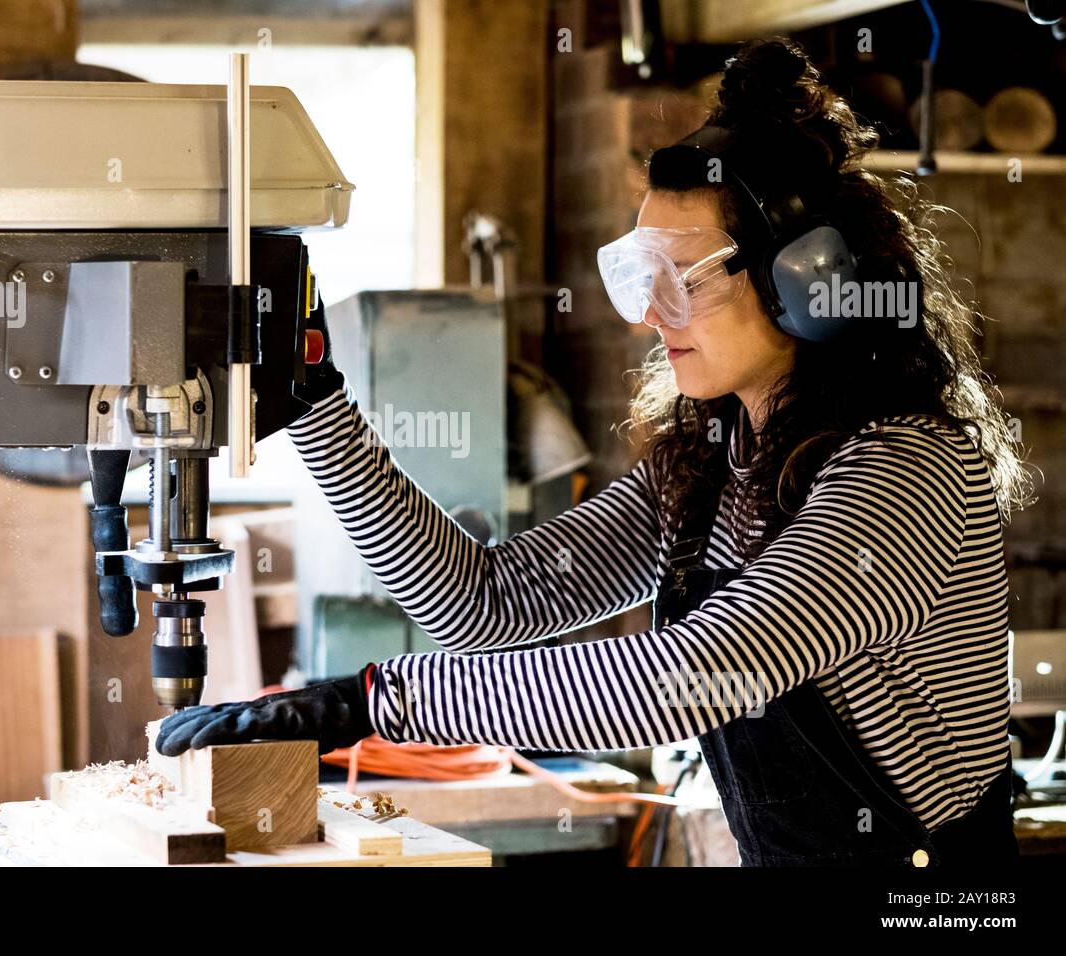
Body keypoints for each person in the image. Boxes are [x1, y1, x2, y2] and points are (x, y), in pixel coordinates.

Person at [154, 38, 1034, 866]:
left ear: (809, 284)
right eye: (639, 279)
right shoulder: (715, 464)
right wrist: (318, 405)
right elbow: (485, 602)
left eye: (681, 281)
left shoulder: (908, 469)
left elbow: (700, 671)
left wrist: (371, 701)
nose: (653, 315)